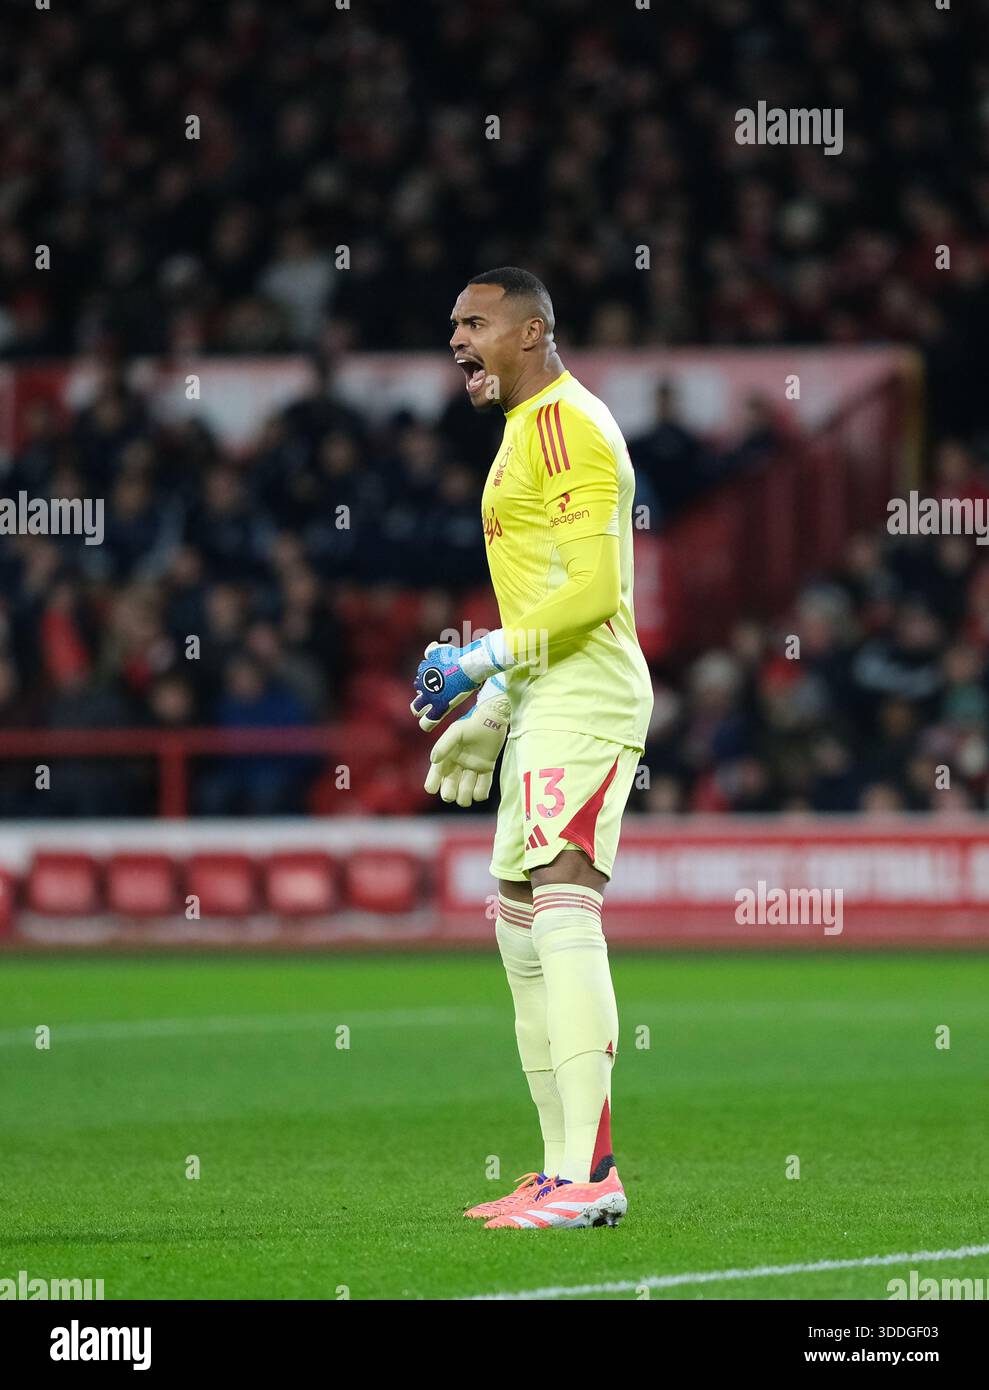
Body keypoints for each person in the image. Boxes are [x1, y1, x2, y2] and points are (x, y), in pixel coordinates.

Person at [410, 267, 654, 1230]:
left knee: (560, 897)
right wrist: (494, 707)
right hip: (545, 695)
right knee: (518, 920)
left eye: (474, 323)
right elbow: (541, 598)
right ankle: (559, 1173)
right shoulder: (521, 434)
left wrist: (480, 658)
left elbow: (593, 593)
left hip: (588, 692)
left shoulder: (566, 426)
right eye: (452, 325)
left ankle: (591, 1173)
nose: (458, 341)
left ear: (533, 331)